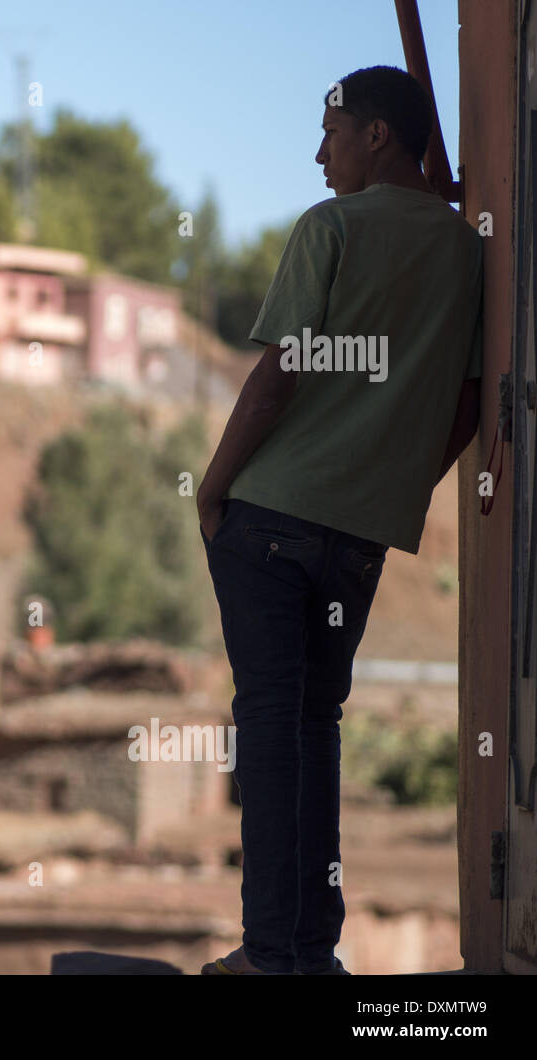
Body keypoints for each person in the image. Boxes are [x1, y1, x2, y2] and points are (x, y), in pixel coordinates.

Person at [195, 66, 483, 975]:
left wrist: (212, 485)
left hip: (271, 517)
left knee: (272, 727)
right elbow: (470, 404)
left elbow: (278, 375)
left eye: (332, 132)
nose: (318, 152)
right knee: (316, 730)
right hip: (359, 537)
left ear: (379, 137)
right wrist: (397, 483)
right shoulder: (468, 251)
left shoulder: (330, 228)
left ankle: (272, 955)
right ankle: (310, 950)